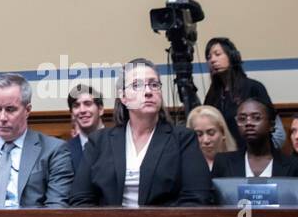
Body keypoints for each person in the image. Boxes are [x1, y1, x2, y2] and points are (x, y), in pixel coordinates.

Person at [69, 58, 213, 207]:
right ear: (123, 97)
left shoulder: (183, 139)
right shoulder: (98, 141)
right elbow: (80, 199)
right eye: (137, 85)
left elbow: (197, 197)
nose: (148, 92)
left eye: (154, 84)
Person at [0, 74, 70, 209]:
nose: (2, 117)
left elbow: (56, 209)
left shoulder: (53, 150)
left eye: (10, 109)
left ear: (27, 110)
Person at [203, 37, 280, 147]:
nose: (213, 60)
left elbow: (277, 131)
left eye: (218, 54)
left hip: (252, 153)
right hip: (224, 156)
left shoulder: (253, 87)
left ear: (232, 56)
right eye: (209, 57)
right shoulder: (212, 95)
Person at [210, 98, 298, 178]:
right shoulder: (223, 162)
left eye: (256, 118)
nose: (248, 123)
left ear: (271, 125)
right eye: (242, 119)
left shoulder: (295, 165)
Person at [65, 84, 106, 169]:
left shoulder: (120, 141)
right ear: (72, 114)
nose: (82, 110)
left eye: (88, 104)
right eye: (76, 106)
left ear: (100, 110)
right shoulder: (65, 150)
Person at [187, 105, 236, 170]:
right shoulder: (184, 168)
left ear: (223, 133)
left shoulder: (238, 164)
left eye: (211, 133)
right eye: (198, 134)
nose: (206, 140)